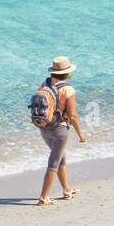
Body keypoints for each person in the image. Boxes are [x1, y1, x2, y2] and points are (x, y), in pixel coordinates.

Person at [37, 56, 86, 205]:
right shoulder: (68, 89)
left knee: (60, 158)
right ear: (67, 72)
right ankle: (44, 197)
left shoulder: (44, 83)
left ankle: (67, 190)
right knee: (54, 162)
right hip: (59, 130)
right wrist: (80, 134)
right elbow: (72, 115)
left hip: (44, 128)